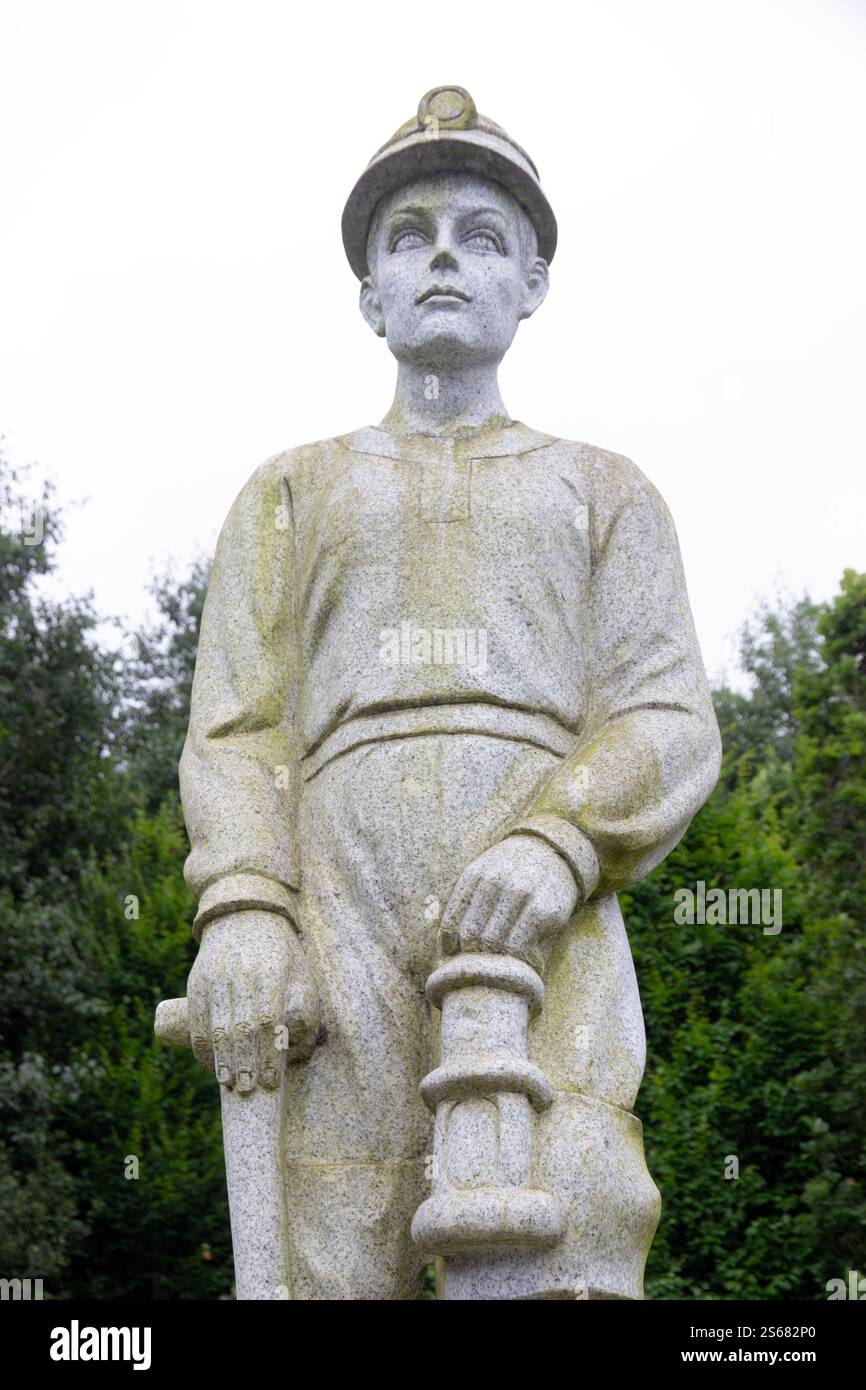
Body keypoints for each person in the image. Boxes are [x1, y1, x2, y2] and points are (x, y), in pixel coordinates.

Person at [180, 86, 722, 1299]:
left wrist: (556, 840)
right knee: (338, 1233)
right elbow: (236, 731)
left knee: (568, 1205)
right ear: (368, 290)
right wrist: (246, 907)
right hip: (339, 895)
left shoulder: (605, 489)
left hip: (541, 911)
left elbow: (667, 715)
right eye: (406, 234)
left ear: (529, 283)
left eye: (480, 236)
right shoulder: (287, 493)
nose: (440, 257)